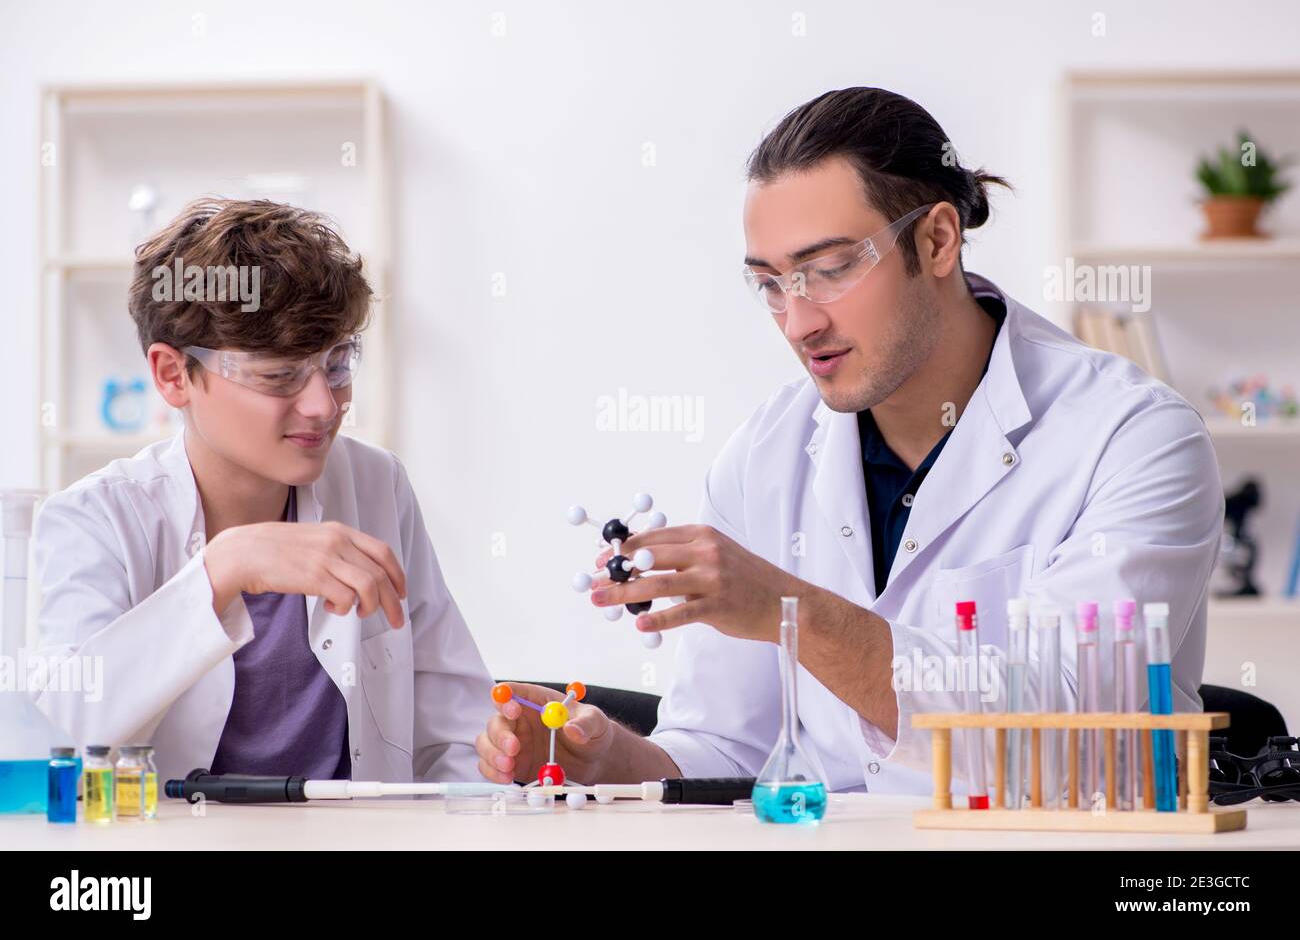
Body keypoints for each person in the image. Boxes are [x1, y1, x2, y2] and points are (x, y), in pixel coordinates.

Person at [477, 88, 1222, 795]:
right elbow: (730, 753)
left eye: (828, 271)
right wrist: (607, 757)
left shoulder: (1132, 439)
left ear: (936, 239)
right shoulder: (762, 458)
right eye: (770, 283)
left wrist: (790, 609)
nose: (798, 322)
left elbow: (1078, 742)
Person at [31, 198, 494, 785]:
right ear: (174, 375)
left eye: (337, 363)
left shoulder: (377, 485)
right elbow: (61, 742)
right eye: (279, 376)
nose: (324, 405)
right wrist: (225, 568)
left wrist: (494, 772)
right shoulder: (94, 520)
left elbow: (453, 734)